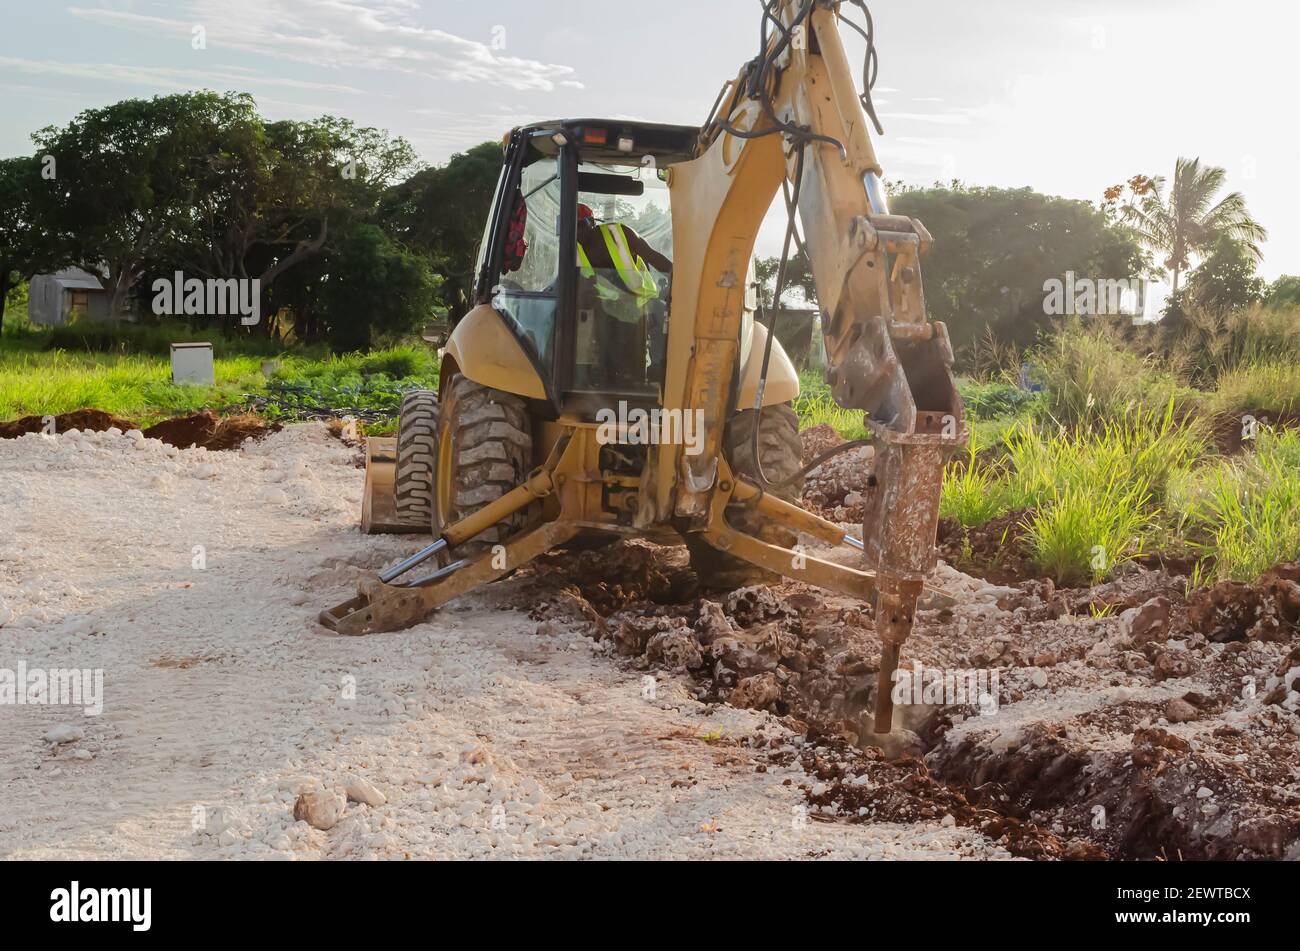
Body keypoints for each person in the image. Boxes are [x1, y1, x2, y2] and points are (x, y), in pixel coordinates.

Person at [575, 204, 672, 388]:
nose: (577, 233)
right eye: (573, 227)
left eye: (581, 225)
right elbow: (574, 285)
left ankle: (658, 373)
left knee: (661, 313)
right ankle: (593, 378)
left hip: (642, 301)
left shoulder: (620, 234)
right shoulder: (572, 250)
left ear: (592, 223)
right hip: (606, 309)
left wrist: (677, 280)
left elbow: (657, 259)